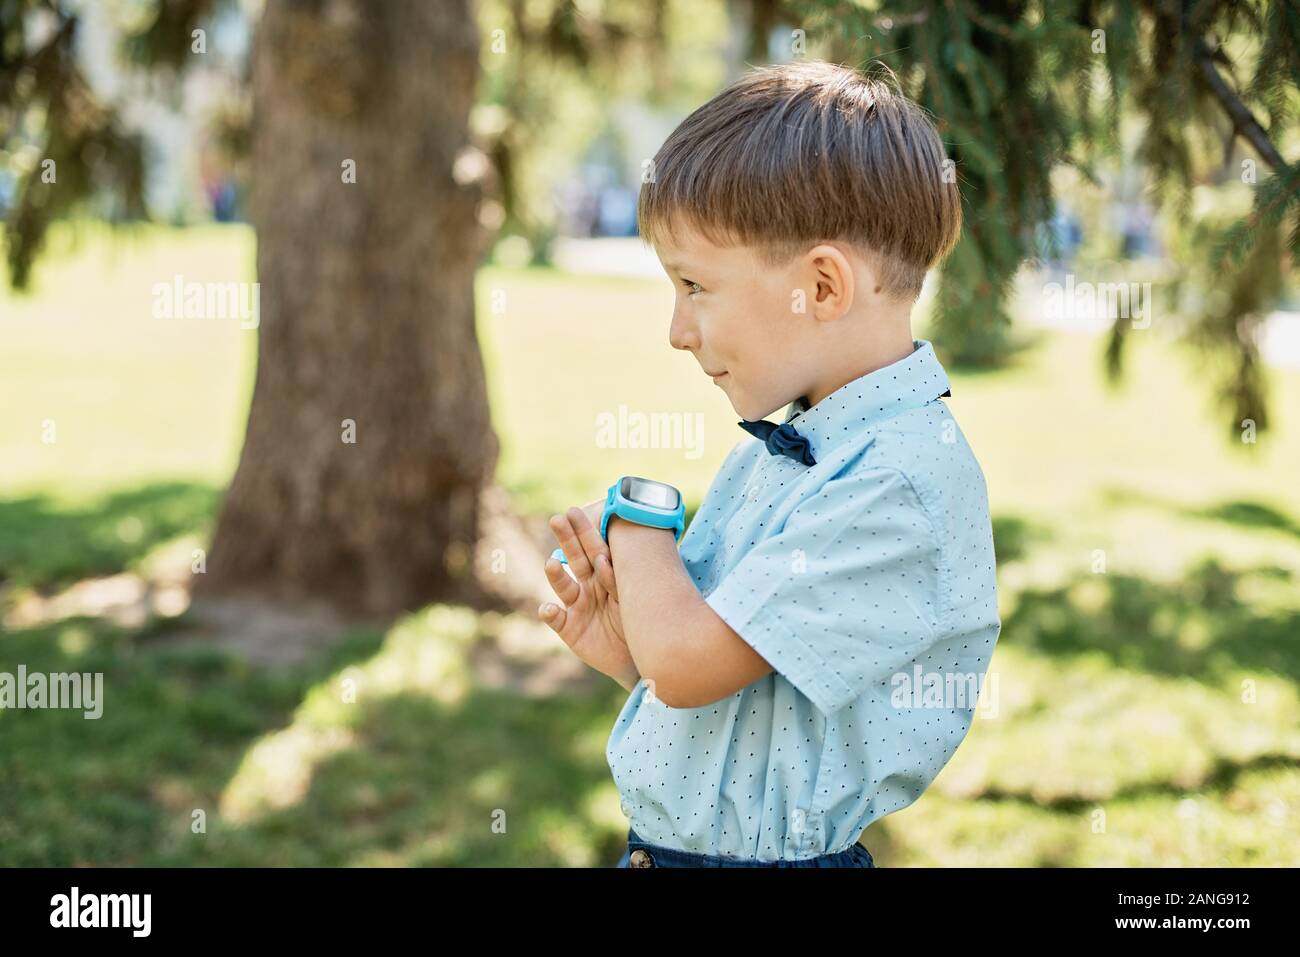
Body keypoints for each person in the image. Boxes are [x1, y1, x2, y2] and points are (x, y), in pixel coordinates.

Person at [539, 60, 1001, 868]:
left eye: (694, 286)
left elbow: (687, 662)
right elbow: (742, 710)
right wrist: (630, 652)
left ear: (821, 286)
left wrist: (640, 520)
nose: (678, 331)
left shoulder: (893, 481)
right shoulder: (796, 451)